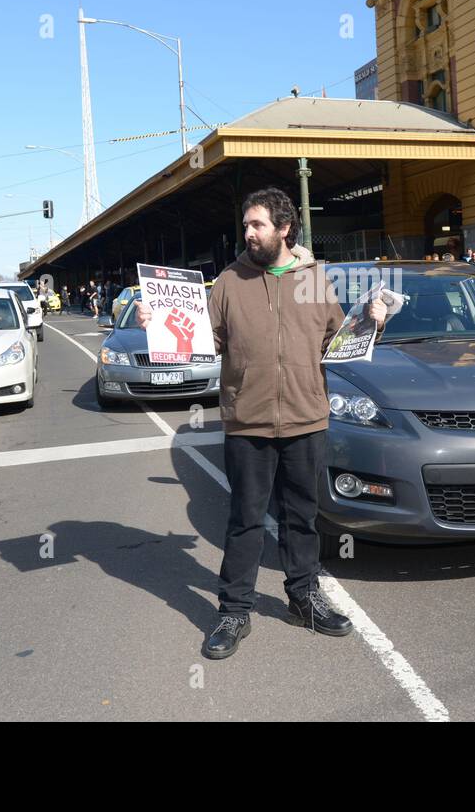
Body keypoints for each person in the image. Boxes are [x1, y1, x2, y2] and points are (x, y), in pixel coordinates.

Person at [136, 187, 387, 659]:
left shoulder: (315, 279)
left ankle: (304, 598)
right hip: (247, 420)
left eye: (258, 225)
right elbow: (201, 341)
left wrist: (373, 322)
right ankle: (234, 610)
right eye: (246, 225)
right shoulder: (229, 281)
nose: (248, 233)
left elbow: (338, 340)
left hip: (306, 417)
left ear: (285, 228)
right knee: (245, 520)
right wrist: (157, 320)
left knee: (302, 517)